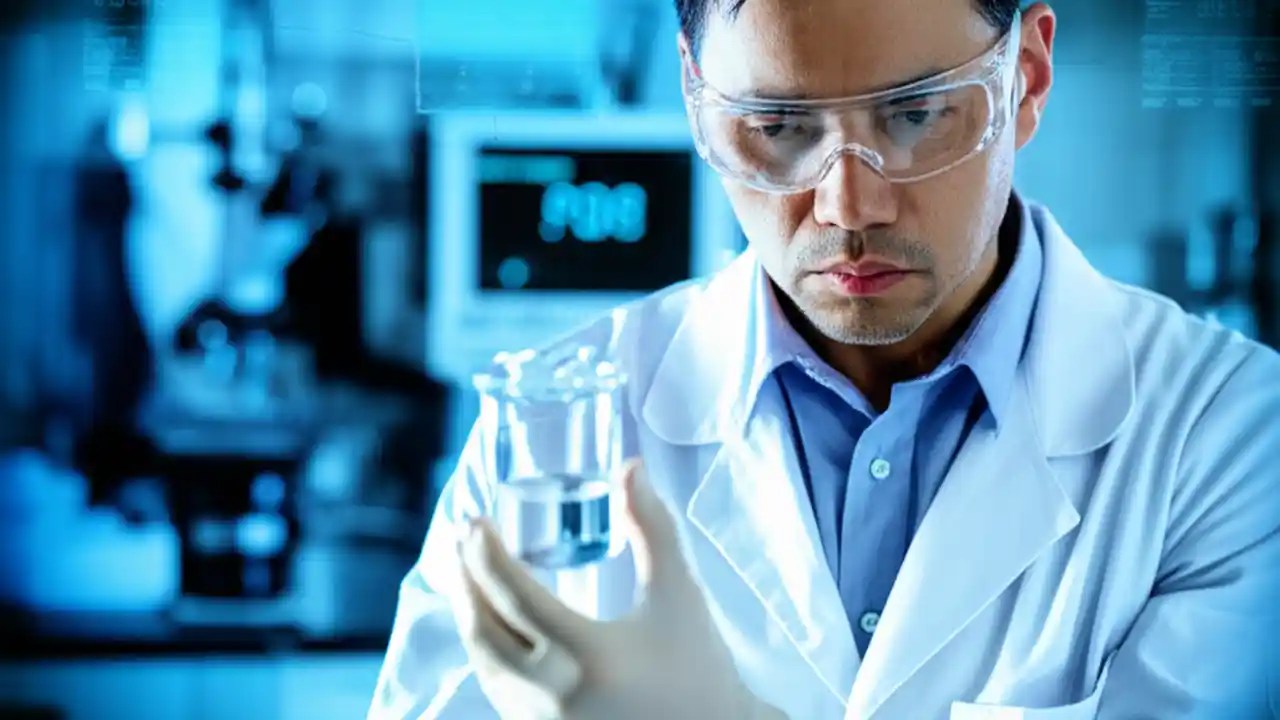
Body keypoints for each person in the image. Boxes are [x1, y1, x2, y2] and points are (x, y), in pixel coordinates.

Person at [369, 1, 1280, 718]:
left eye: (917, 114)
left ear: (1029, 77)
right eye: (776, 126)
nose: (849, 207)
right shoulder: (554, 430)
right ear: (697, 101)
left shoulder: (1232, 437)